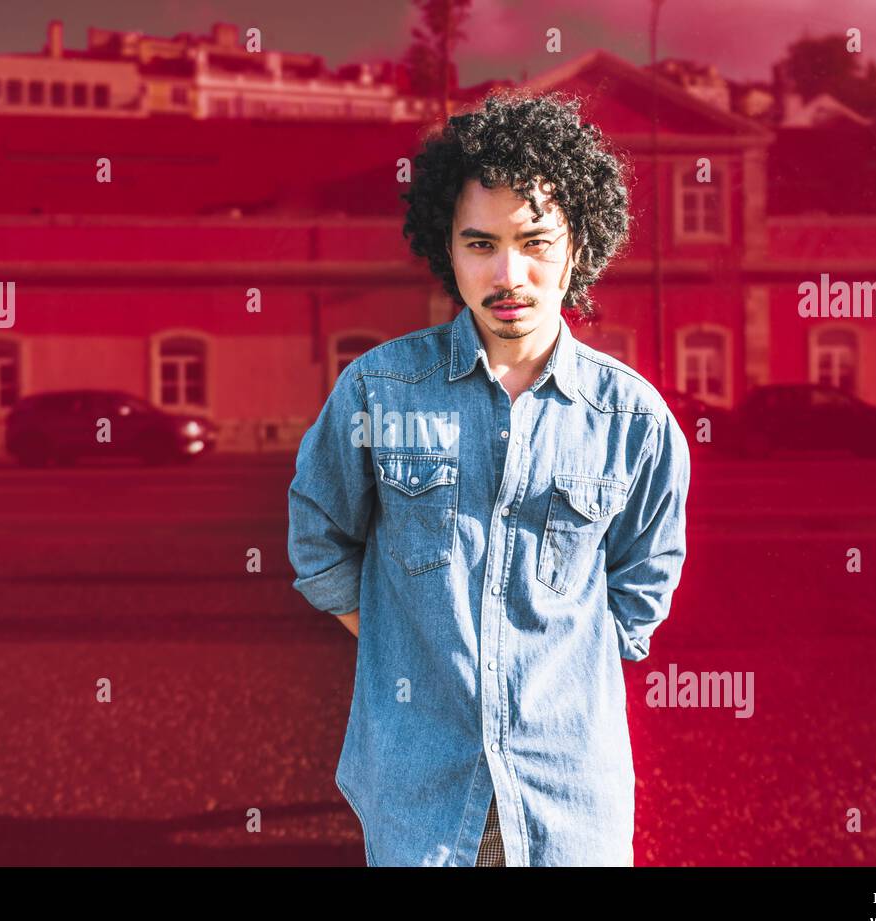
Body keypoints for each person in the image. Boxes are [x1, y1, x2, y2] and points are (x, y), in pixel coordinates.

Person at [287, 91, 690, 866]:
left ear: (578, 245)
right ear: (448, 249)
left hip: (569, 798)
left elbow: (642, 588)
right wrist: (407, 646)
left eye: (536, 241)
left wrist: (552, 667)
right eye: (480, 244)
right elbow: (320, 542)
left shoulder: (633, 420)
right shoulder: (378, 391)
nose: (510, 274)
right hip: (419, 792)